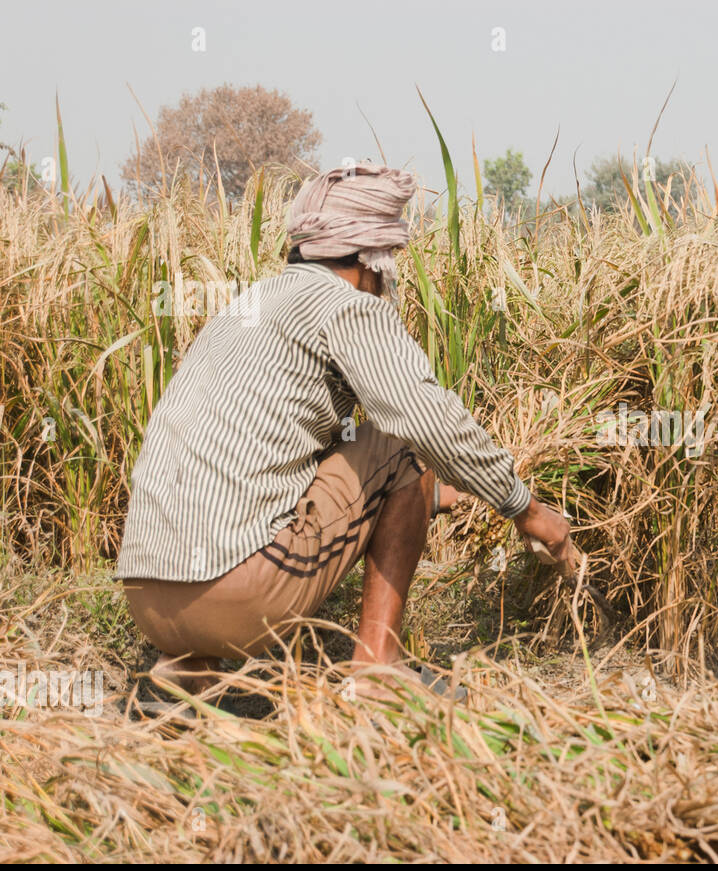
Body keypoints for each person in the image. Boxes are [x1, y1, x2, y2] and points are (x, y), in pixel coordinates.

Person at [115, 163, 572, 698]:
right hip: (238, 599)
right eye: (392, 262)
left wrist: (424, 496)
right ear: (370, 260)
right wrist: (527, 509)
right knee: (403, 441)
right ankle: (376, 670)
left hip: (149, 597)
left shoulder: (246, 306)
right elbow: (428, 419)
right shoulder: (349, 307)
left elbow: (272, 451)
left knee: (392, 457)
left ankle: (189, 671)